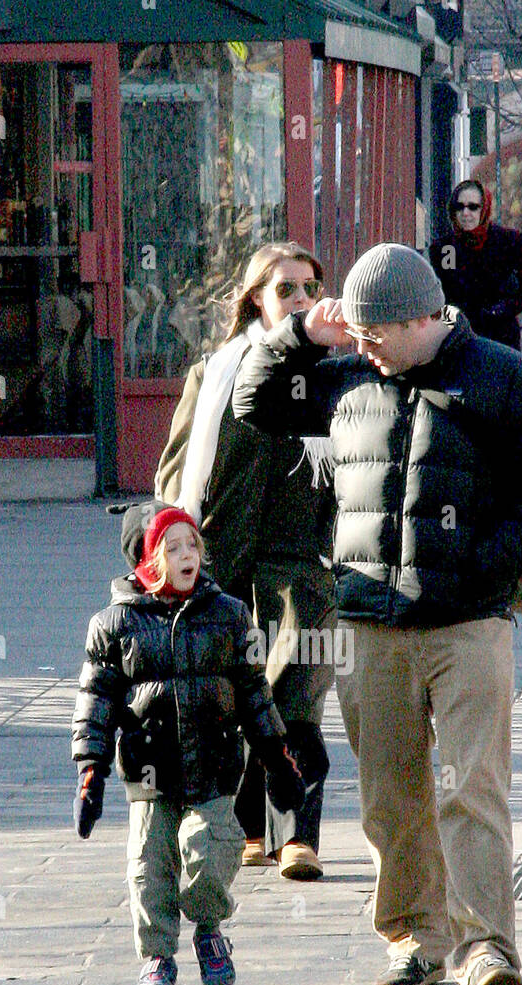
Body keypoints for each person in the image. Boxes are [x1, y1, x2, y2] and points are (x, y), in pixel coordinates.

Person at [233, 243, 522, 985]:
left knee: (471, 788)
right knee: (391, 793)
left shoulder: (503, 378)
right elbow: (252, 402)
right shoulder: (349, 375)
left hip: (467, 625)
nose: (365, 346)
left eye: (375, 333)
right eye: (355, 333)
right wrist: (297, 336)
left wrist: (484, 566)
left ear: (422, 316)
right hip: (368, 623)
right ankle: (414, 937)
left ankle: (485, 949)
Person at [71, 504, 305, 985]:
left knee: (211, 850)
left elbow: (253, 692)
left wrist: (277, 757)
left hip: (215, 768)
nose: (186, 555)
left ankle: (208, 929)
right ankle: (158, 958)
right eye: (172, 547)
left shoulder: (228, 614)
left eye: (192, 545)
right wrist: (92, 770)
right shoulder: (116, 624)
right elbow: (97, 699)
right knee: (149, 867)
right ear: (148, 560)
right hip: (150, 773)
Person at [157, 242, 337, 881]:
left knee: (299, 698)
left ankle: (299, 835)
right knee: (232, 699)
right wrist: (172, 548)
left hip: (304, 566)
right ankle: (249, 825)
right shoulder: (213, 375)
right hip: (224, 565)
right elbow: (177, 473)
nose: (301, 299)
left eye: (310, 288)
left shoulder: (331, 378)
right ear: (255, 298)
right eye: (285, 288)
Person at [428, 180, 522, 350]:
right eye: (460, 207)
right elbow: (443, 294)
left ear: (484, 208)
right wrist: (451, 327)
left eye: (473, 207)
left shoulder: (511, 242)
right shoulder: (444, 247)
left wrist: (499, 311)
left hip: (501, 338)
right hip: (459, 340)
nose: (465, 213)